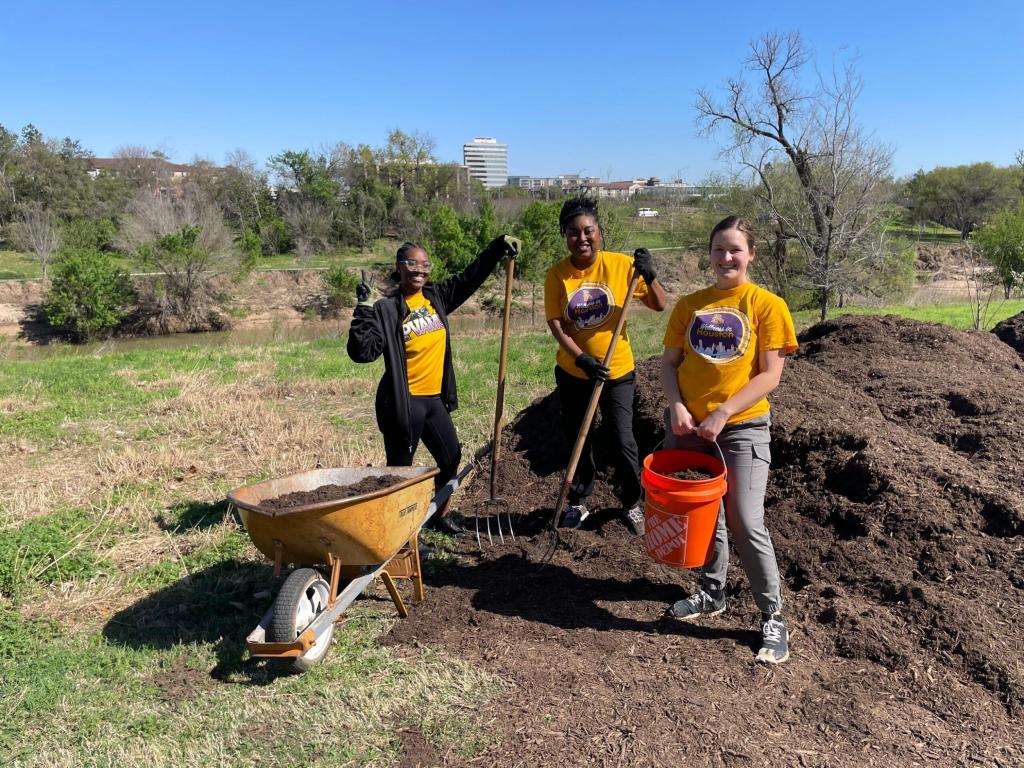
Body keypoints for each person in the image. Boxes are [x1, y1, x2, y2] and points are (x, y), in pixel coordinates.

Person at [659, 215, 797, 664]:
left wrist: (723, 412)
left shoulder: (766, 305)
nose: (726, 258)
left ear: (751, 254)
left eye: (735, 249)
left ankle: (773, 617)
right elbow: (669, 364)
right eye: (719, 249)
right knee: (704, 510)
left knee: (743, 517)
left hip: (742, 427)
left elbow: (771, 375)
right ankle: (711, 591)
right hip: (689, 426)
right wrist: (677, 405)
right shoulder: (691, 306)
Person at [347, 235, 519, 535]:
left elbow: (469, 278)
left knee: (451, 458)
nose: (419, 270)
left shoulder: (436, 297)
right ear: (399, 268)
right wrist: (363, 308)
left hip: (433, 400)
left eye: (425, 265)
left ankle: (438, 516)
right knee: (401, 473)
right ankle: (402, 535)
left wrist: (494, 248)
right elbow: (362, 353)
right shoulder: (387, 309)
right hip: (404, 403)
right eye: (412, 264)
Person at [545, 196, 666, 535]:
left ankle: (631, 502)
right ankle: (578, 500)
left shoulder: (621, 266)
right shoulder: (558, 275)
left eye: (589, 231)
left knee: (623, 438)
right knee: (578, 439)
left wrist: (650, 275)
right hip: (573, 372)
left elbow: (659, 304)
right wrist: (579, 357)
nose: (582, 239)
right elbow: (556, 323)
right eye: (573, 233)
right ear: (564, 235)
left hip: (617, 372)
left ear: (600, 232)